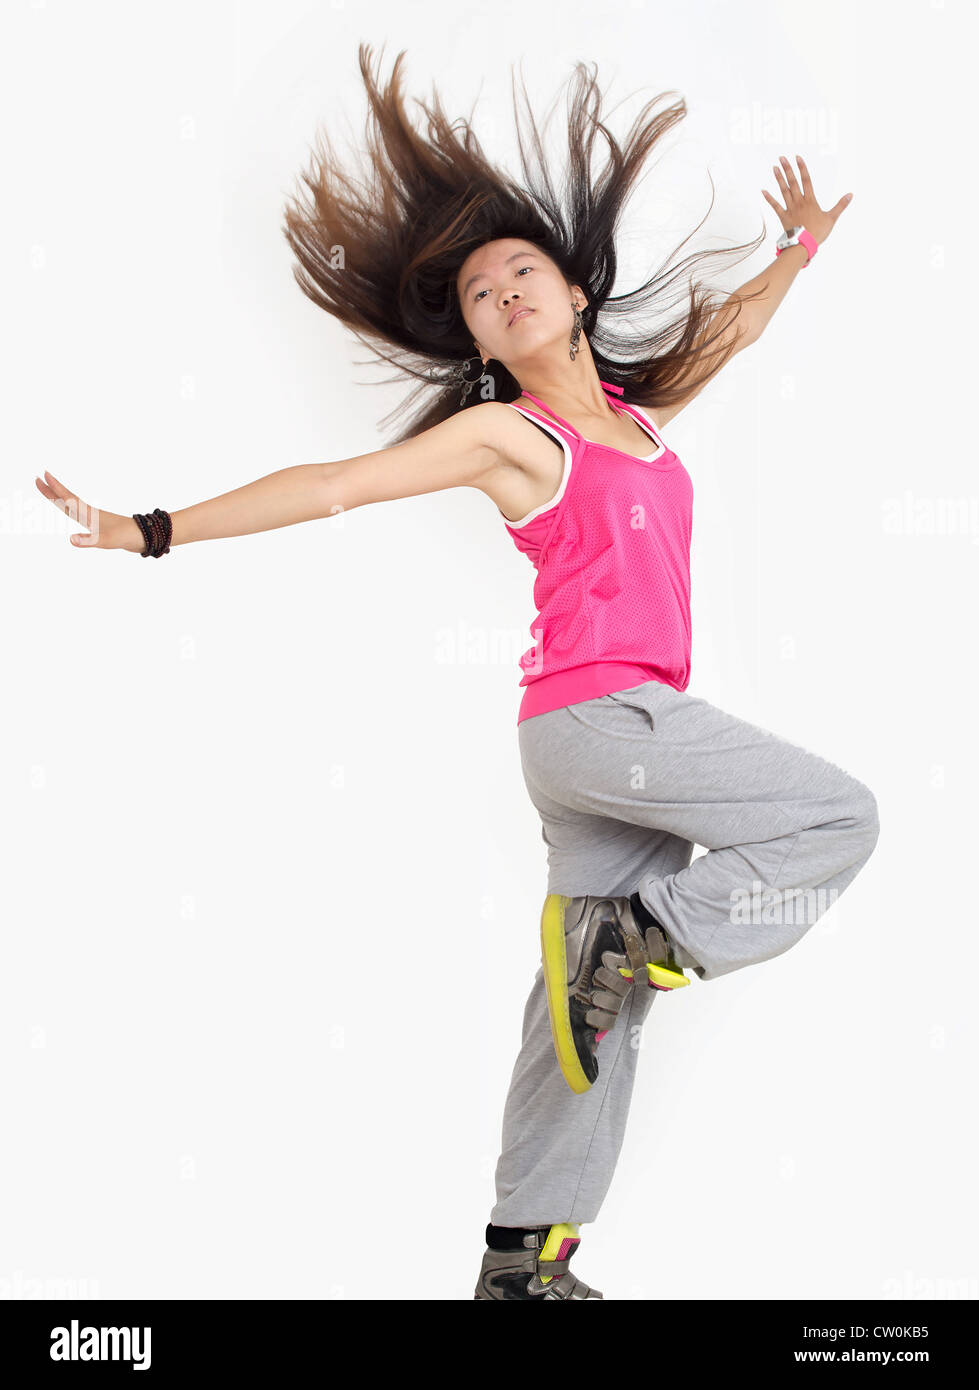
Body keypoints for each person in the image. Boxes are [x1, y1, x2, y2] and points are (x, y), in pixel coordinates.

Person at [34, 45, 876, 1301]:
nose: (501, 294)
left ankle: (520, 1263)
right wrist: (150, 528)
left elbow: (738, 328)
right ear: (482, 344)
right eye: (481, 297)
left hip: (591, 753)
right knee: (838, 817)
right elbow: (329, 488)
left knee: (583, 1015)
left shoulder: (640, 418)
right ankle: (651, 936)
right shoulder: (504, 436)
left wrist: (799, 248)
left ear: (577, 295)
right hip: (604, 719)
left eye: (520, 273)